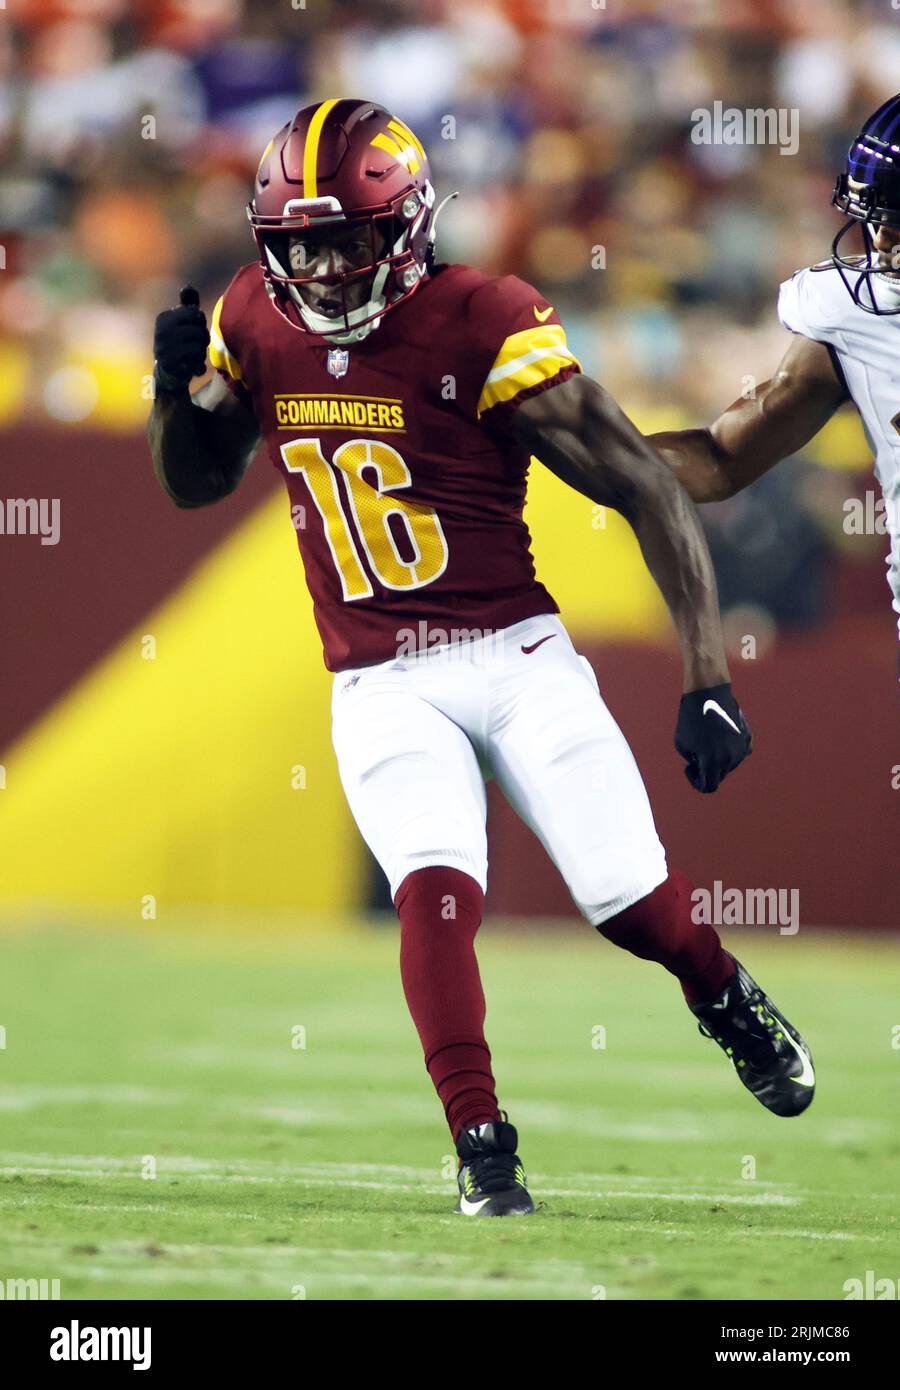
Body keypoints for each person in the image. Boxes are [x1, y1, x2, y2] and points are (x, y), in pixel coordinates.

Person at [148, 99, 813, 1218]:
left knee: (629, 900)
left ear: (406, 226)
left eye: (348, 240)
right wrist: (176, 397)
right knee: (434, 894)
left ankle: (722, 991)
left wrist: (708, 673)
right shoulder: (254, 312)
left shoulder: (482, 318)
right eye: (301, 245)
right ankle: (482, 1144)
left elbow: (643, 485)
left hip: (514, 656)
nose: (322, 269)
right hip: (377, 677)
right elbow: (194, 480)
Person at [653, 95, 900, 672]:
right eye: (878, 220)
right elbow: (719, 462)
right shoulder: (853, 315)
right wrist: (554, 440)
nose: (882, 243)